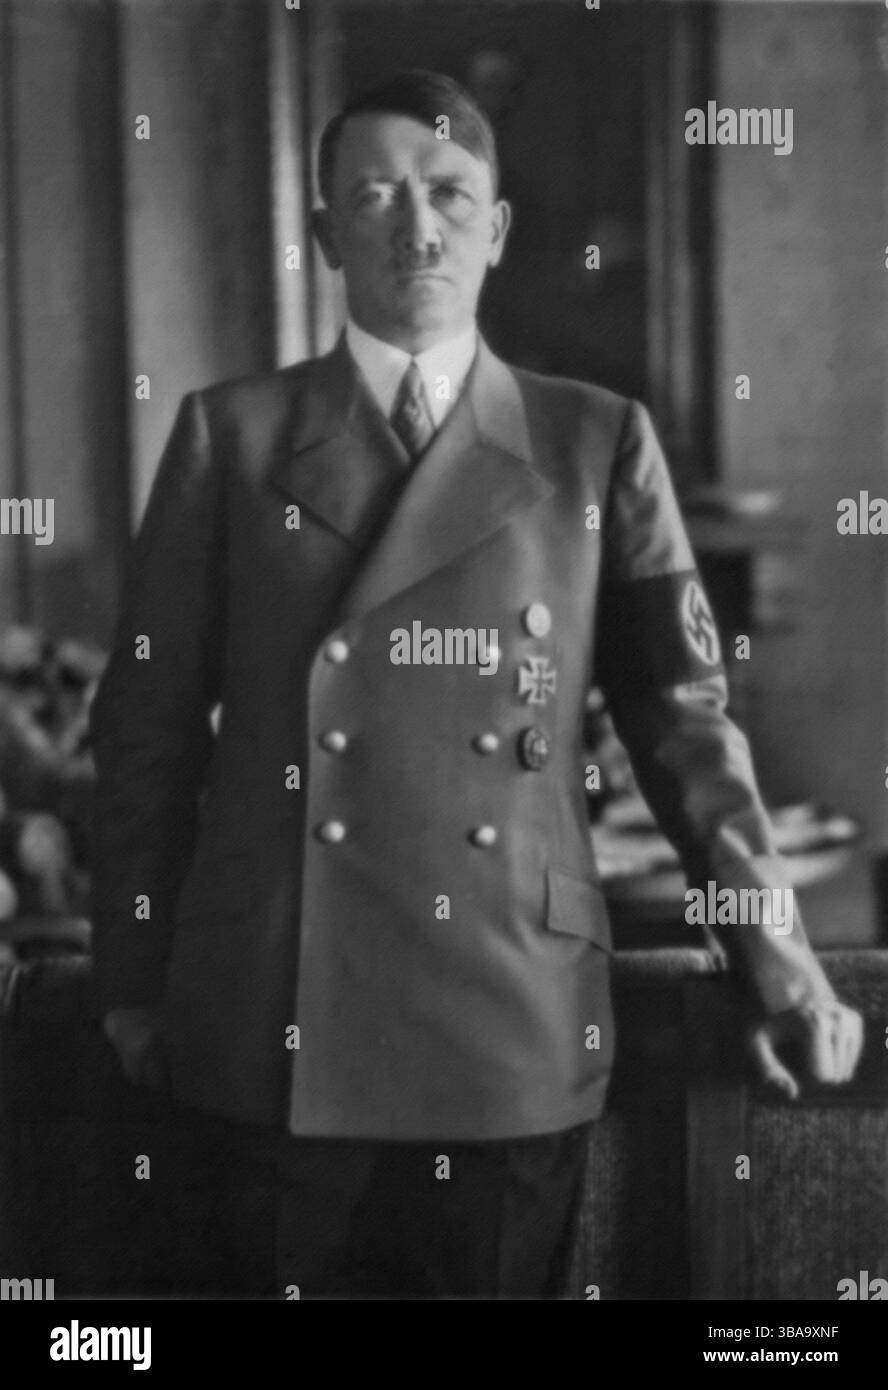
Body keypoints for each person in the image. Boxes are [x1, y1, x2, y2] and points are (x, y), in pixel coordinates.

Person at [91, 69, 863, 1300]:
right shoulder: (227, 437)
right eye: (378, 193)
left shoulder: (594, 441)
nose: (417, 223)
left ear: (495, 228)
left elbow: (683, 726)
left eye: (450, 191)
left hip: (503, 1021)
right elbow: (142, 733)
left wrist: (778, 952)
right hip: (272, 1020)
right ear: (328, 227)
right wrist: (132, 978)